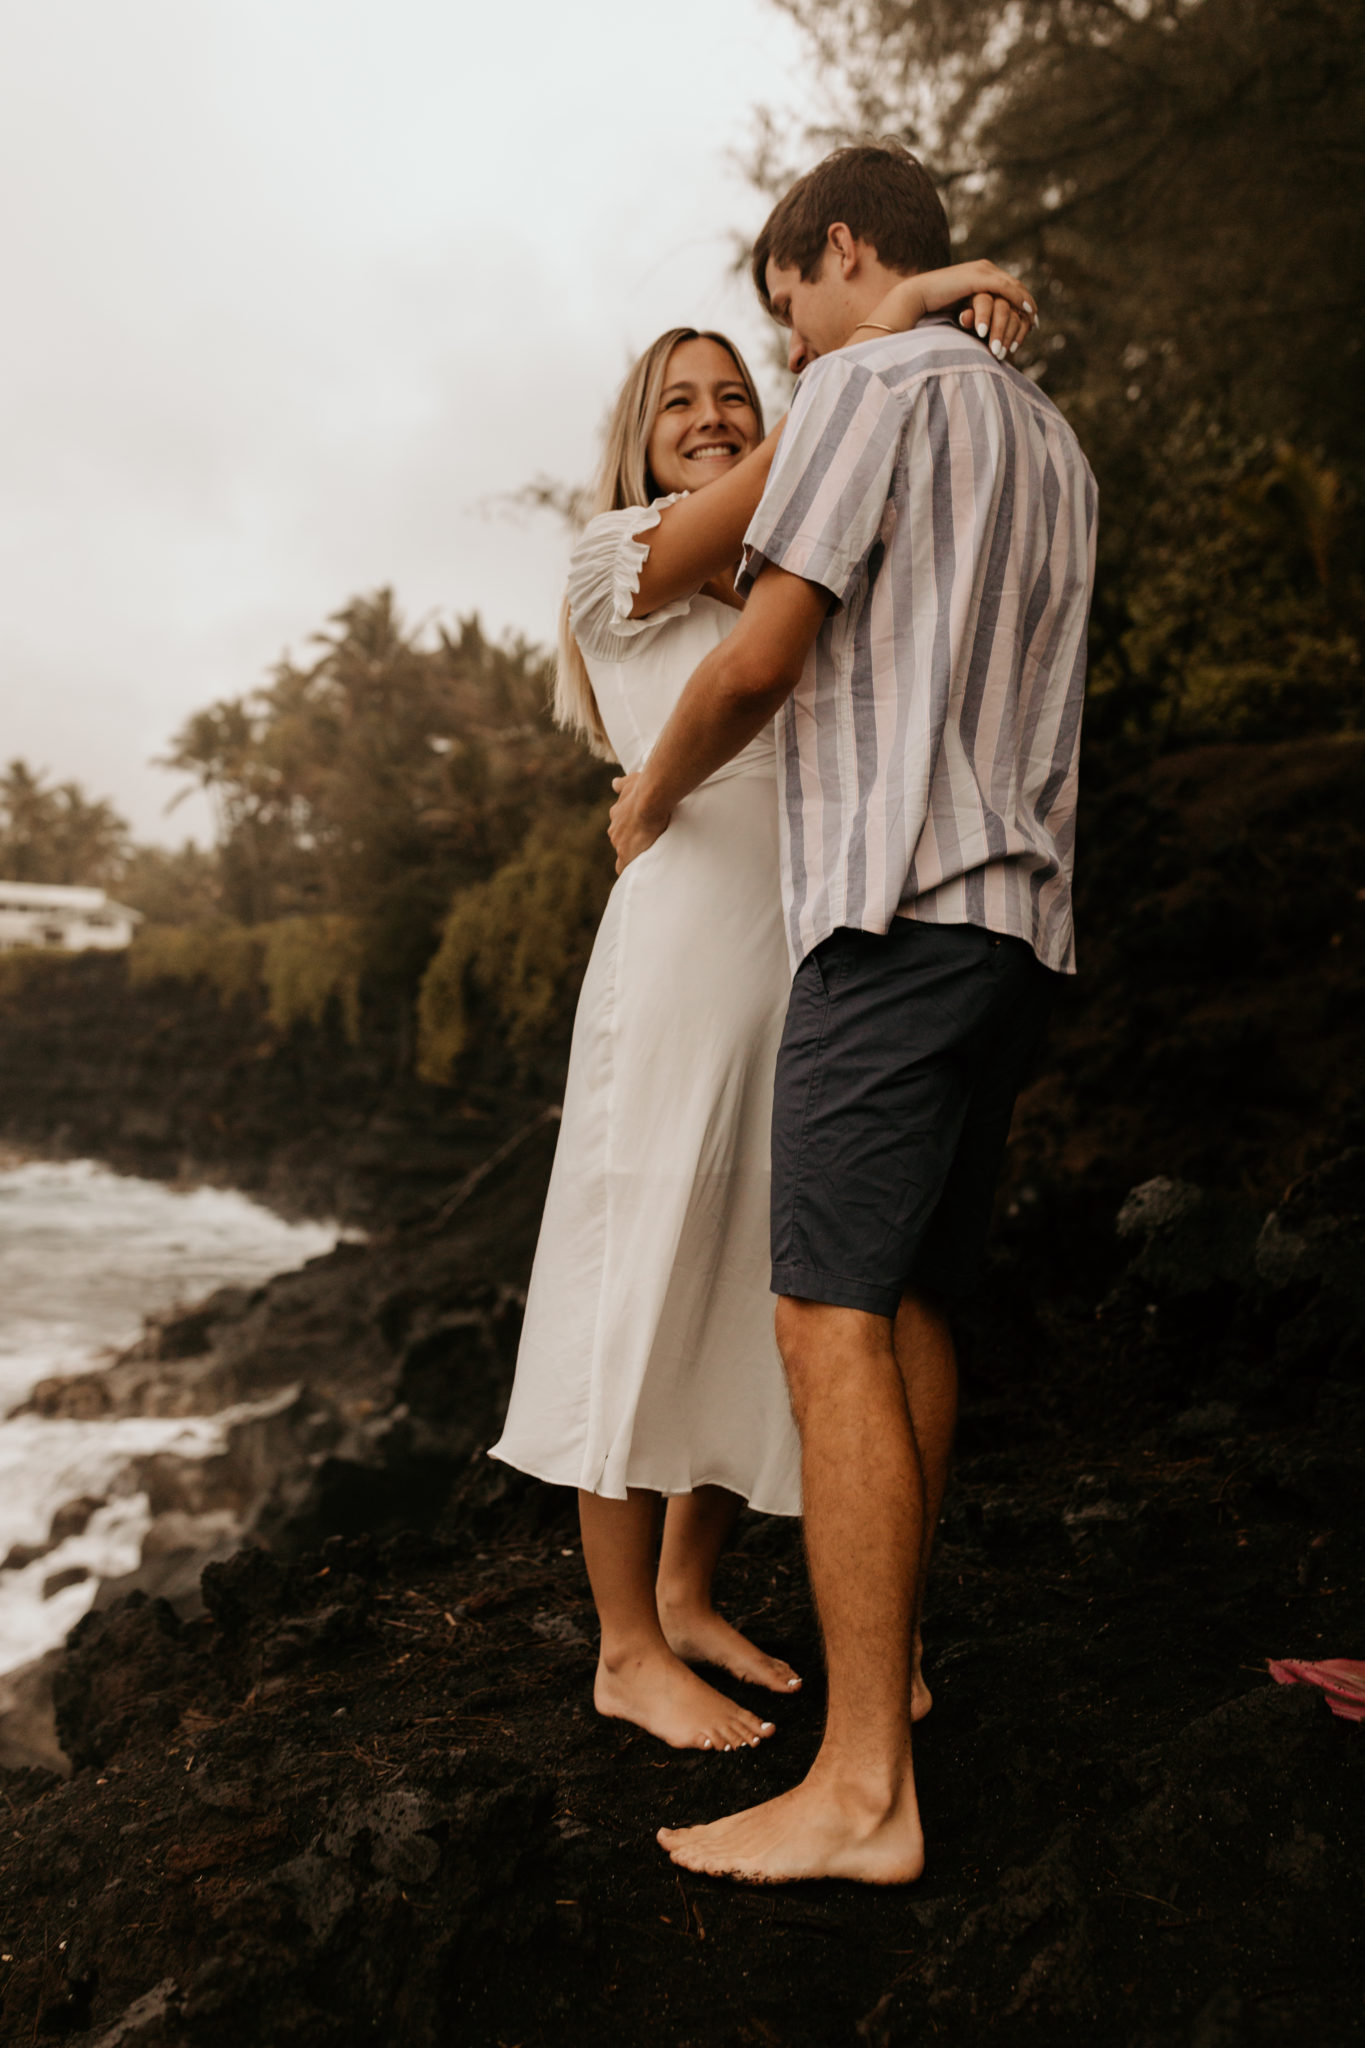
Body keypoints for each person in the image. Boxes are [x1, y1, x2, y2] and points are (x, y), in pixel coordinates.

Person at [608, 142, 1097, 1879]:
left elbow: (760, 651)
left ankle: (862, 1788)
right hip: (1016, 925)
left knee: (820, 1319)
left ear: (832, 256)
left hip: (887, 915)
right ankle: (894, 1690)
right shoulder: (1048, 434)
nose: (796, 349)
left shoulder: (873, 382)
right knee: (905, 1310)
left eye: (787, 312)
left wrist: (647, 793)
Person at [490, 255, 1037, 1755]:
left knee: (756, 1281)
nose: (718, 414)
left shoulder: (782, 570)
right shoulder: (621, 555)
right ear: (637, 440)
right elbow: (829, 434)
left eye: (734, 391)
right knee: (637, 1271)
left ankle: (683, 1592)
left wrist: (876, 343)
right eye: (682, 401)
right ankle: (618, 1649)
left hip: (792, 959)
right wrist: (895, 312)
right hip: (674, 965)